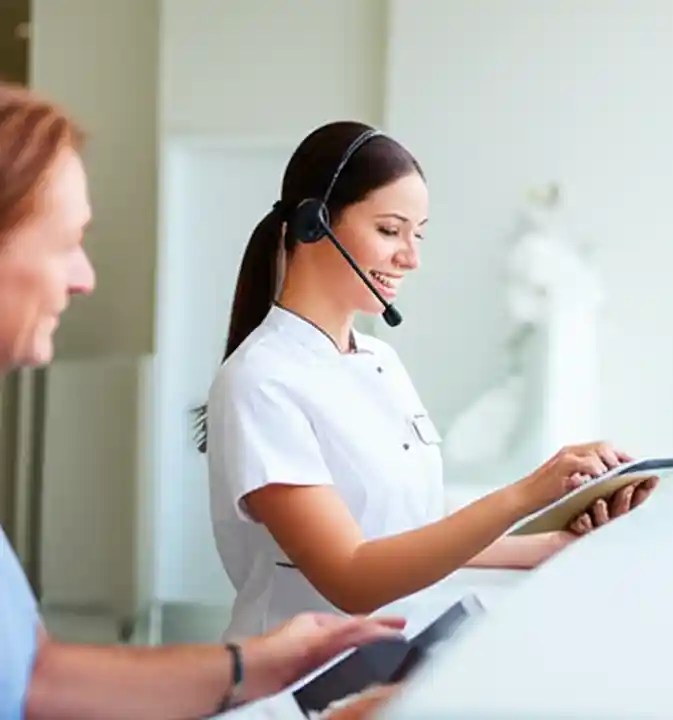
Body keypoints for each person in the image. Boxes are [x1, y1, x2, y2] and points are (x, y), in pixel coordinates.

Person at [0, 84, 406, 719]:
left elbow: (37, 679)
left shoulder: (380, 360)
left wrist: (259, 671)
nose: (85, 278)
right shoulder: (262, 376)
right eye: (62, 243)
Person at [200, 121, 658, 640]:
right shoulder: (261, 380)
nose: (411, 258)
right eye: (390, 230)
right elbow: (351, 577)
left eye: (417, 235)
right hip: (295, 683)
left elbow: (413, 527)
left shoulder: (379, 361)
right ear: (314, 224)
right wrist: (529, 492)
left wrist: (554, 545)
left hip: (390, 661)